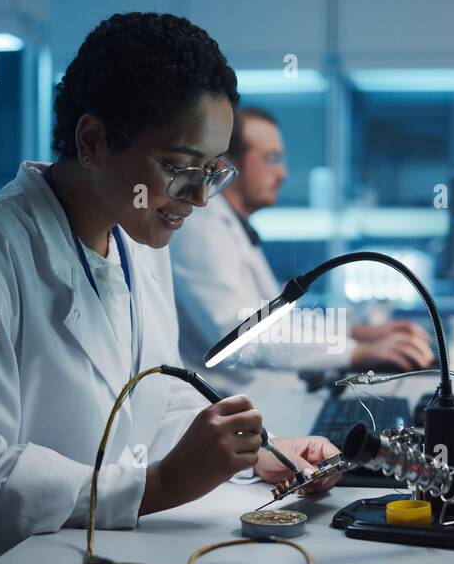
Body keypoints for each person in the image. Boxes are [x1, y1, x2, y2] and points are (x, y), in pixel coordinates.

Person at [0, 13, 340, 564]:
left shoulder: (136, 242)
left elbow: (155, 407)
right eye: (179, 166)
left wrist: (250, 454)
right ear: (92, 141)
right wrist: (158, 485)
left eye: (214, 171)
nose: (199, 198)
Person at [170, 107, 435, 377]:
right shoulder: (201, 228)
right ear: (228, 164)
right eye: (272, 159)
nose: (283, 173)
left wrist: (360, 334)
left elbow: (277, 321)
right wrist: (358, 353)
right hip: (224, 397)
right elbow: (242, 336)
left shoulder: (233, 225)